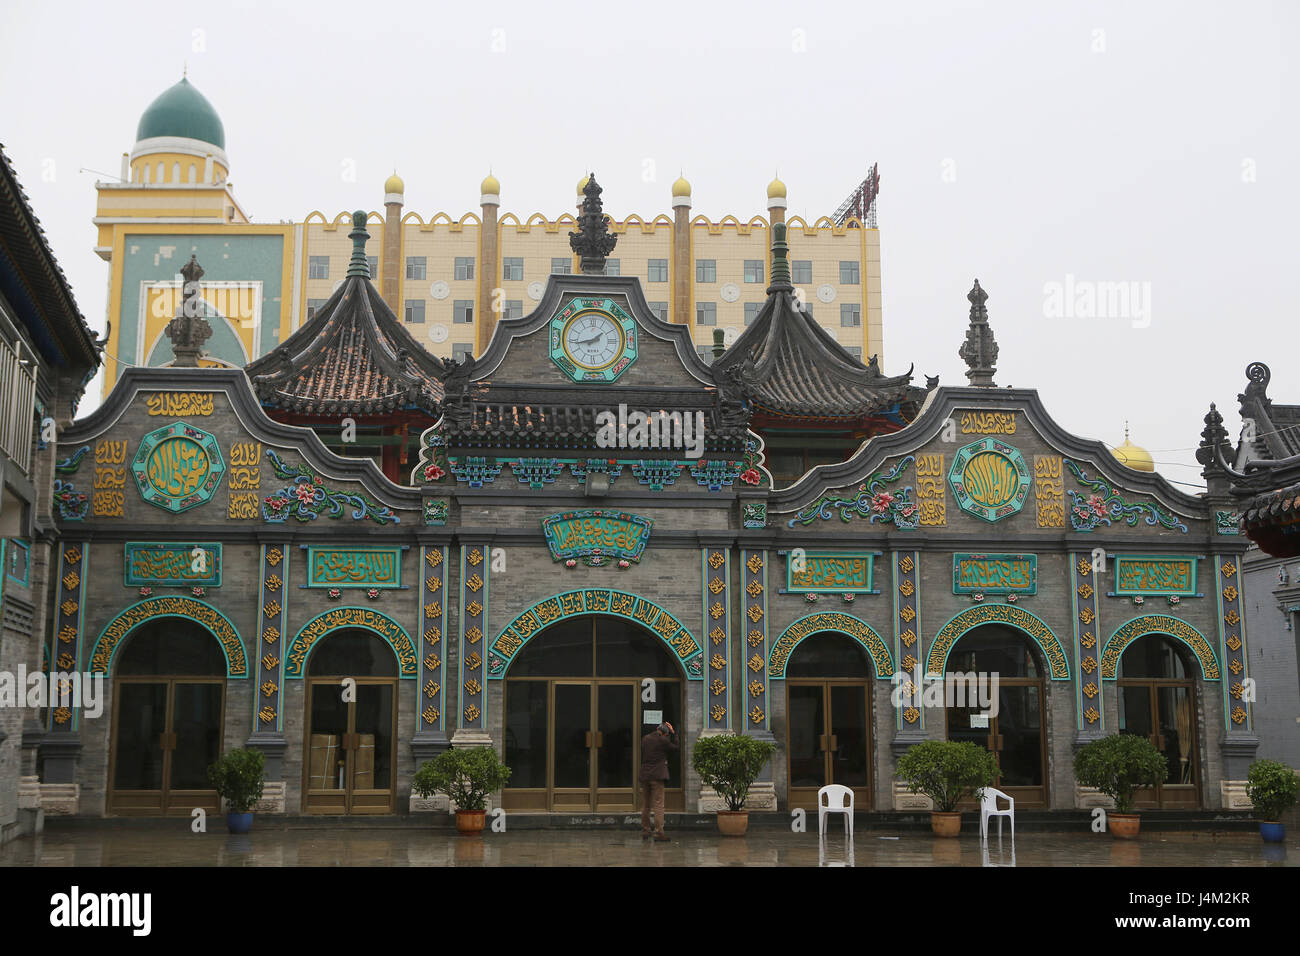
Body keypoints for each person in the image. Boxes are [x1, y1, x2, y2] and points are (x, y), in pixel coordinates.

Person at [640, 721, 678, 841]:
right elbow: (675, 748)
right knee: (658, 805)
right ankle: (659, 832)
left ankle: (646, 830)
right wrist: (674, 733)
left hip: (645, 775)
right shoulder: (663, 740)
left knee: (646, 805)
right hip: (657, 775)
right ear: (665, 734)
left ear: (657, 729)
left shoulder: (645, 739)